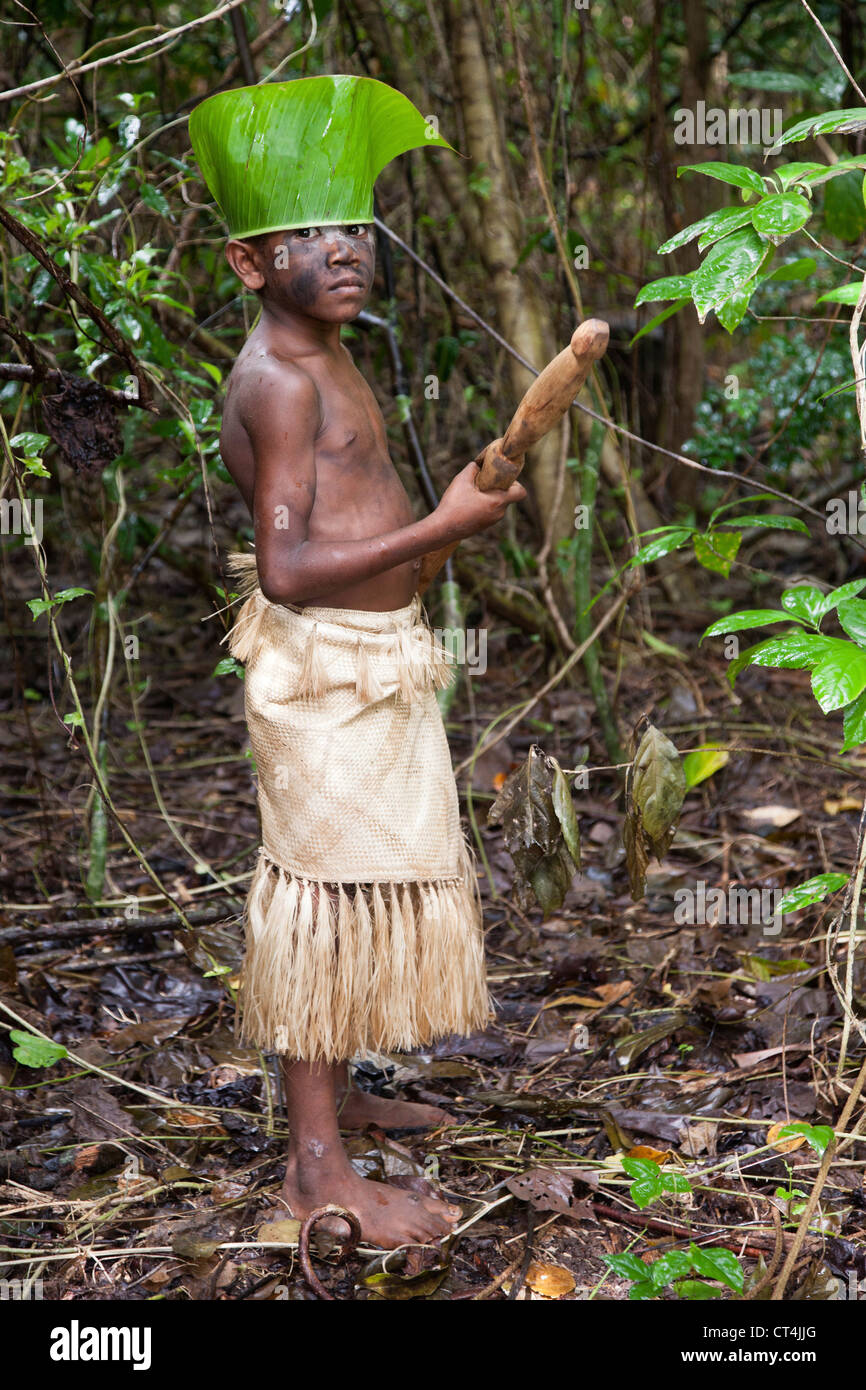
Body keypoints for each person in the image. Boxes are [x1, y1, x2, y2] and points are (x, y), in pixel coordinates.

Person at [190, 75, 525, 1249]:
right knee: (323, 894)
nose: (343, 251)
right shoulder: (278, 381)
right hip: (320, 670)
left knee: (374, 867)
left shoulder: (327, 351)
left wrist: (440, 527)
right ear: (246, 263)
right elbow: (285, 570)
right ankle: (314, 1166)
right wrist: (441, 528)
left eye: (354, 229)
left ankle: (339, 1092)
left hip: (375, 659)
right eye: (308, 235)